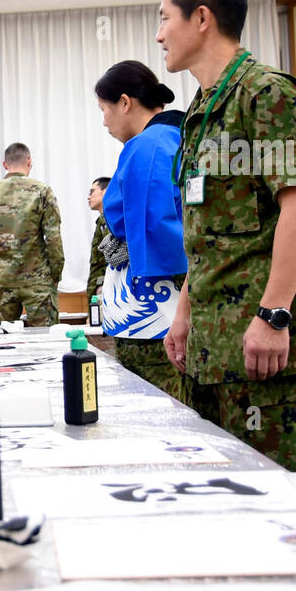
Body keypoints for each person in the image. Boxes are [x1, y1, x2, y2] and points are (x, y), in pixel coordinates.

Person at [158, 0, 296, 471]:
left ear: (202, 18)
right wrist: (185, 313)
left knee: (284, 508)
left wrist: (273, 315)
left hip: (266, 354)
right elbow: (209, 234)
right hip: (214, 353)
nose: (159, 35)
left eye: (164, 18)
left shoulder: (267, 95)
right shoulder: (201, 110)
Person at [94, 61, 187, 401]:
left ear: (124, 102)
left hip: (152, 313)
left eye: (104, 109)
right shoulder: (176, 135)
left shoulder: (147, 145)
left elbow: (156, 229)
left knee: (155, 409)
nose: (104, 120)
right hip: (166, 308)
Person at [0, 143, 64, 325]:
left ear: (5, 164)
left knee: (1, 340)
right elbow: (53, 238)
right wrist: (55, 274)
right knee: (46, 340)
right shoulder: (42, 191)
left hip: (2, 280)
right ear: (29, 161)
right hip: (37, 280)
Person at [86, 177, 111, 304]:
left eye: (92, 192)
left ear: (105, 191)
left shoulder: (112, 221)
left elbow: (113, 261)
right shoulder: (102, 222)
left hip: (109, 291)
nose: (88, 197)